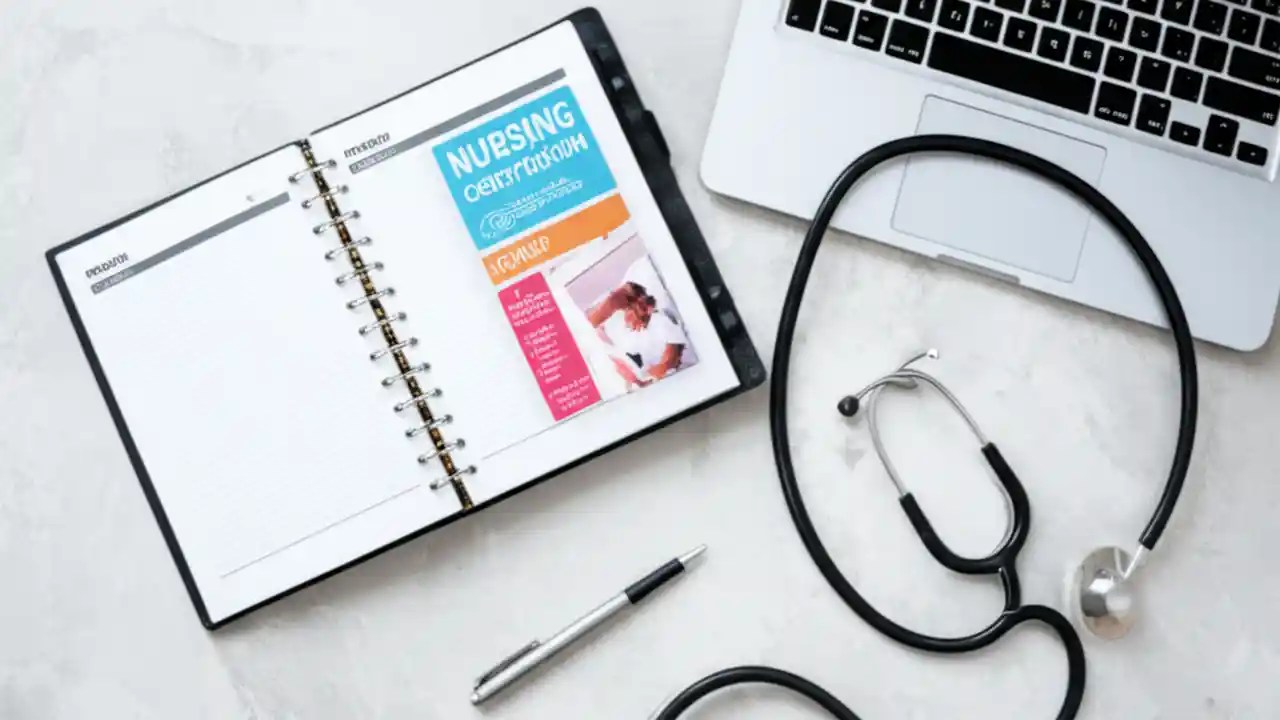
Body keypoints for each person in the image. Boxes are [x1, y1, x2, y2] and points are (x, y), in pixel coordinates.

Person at [586, 281, 688, 388]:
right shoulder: (616, 316)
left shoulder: (662, 322)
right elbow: (585, 325)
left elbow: (669, 362)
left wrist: (644, 379)